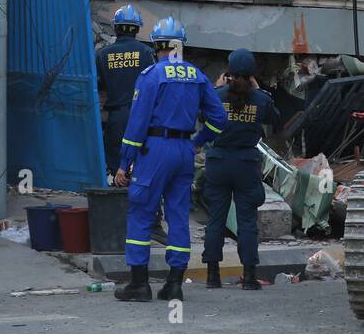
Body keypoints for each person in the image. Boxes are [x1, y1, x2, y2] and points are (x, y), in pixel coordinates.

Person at [113, 16, 227, 302]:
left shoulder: (151, 75)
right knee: (178, 215)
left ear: (157, 45)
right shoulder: (197, 75)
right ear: (180, 45)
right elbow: (218, 119)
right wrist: (197, 142)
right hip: (183, 151)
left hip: (155, 150)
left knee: (141, 212)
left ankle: (139, 284)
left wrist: (125, 162)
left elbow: (136, 125)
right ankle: (174, 284)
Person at [196, 49, 281, 291]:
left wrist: (215, 89)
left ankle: (213, 275)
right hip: (246, 164)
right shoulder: (261, 99)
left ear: (228, 72)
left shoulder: (216, 96)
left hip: (218, 162)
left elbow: (202, 118)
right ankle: (250, 277)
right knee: (246, 221)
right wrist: (257, 89)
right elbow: (276, 119)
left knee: (215, 220)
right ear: (253, 73)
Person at [94, 5, 154, 174]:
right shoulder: (146, 52)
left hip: (116, 117)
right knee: (142, 163)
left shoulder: (102, 54)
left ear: (115, 27)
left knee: (116, 165)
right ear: (137, 28)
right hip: (142, 115)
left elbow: (98, 86)